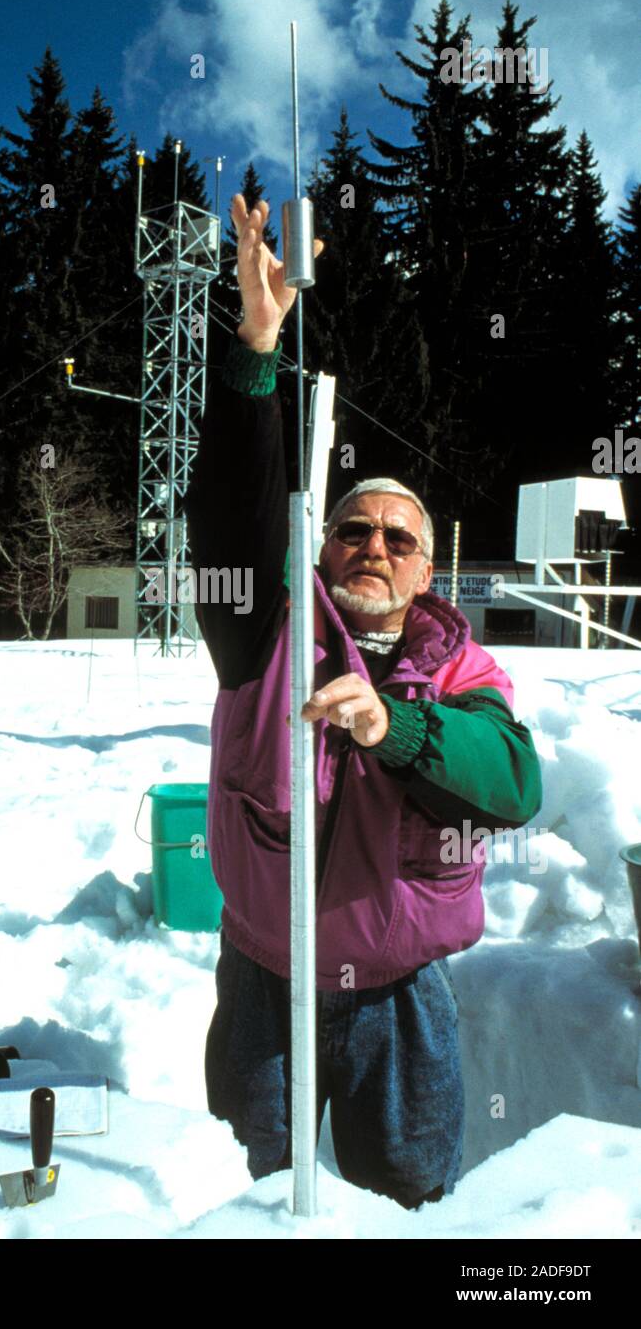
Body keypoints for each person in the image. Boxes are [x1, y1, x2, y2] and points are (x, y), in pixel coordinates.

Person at [183, 194, 543, 1209]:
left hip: (401, 998)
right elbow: (227, 516)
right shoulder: (264, 635)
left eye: (397, 537)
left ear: (428, 569)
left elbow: (511, 784)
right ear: (321, 547)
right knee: (252, 1198)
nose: (373, 546)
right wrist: (256, 352)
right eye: (352, 530)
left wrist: (396, 727)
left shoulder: (464, 670)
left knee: (407, 1193)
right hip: (266, 983)